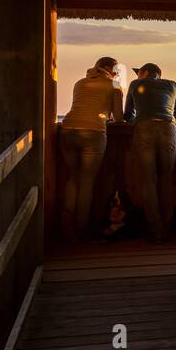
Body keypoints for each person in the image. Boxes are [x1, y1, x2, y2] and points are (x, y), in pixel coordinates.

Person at [59, 56, 123, 242]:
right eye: (115, 70)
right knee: (87, 182)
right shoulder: (114, 86)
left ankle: (66, 224)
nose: (116, 73)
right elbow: (118, 118)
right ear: (109, 69)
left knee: (72, 178)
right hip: (93, 132)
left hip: (68, 130)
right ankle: (81, 229)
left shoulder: (80, 83)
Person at [124, 62, 176, 243]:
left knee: (148, 181)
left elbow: (127, 115)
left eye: (139, 73)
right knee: (166, 179)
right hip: (168, 128)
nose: (137, 76)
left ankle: (155, 231)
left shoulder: (135, 85)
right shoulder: (173, 84)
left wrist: (141, 119)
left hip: (144, 129)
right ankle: (168, 228)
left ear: (146, 72)